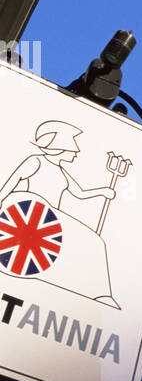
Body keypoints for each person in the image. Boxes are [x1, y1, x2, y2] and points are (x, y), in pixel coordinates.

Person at [0, 120, 119, 306]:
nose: (77, 152)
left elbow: (79, 193)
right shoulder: (35, 160)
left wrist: (103, 191)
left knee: (95, 241)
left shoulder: (62, 171)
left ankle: (100, 294)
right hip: (33, 212)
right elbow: (13, 181)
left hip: (52, 219)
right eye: (73, 149)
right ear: (60, 147)